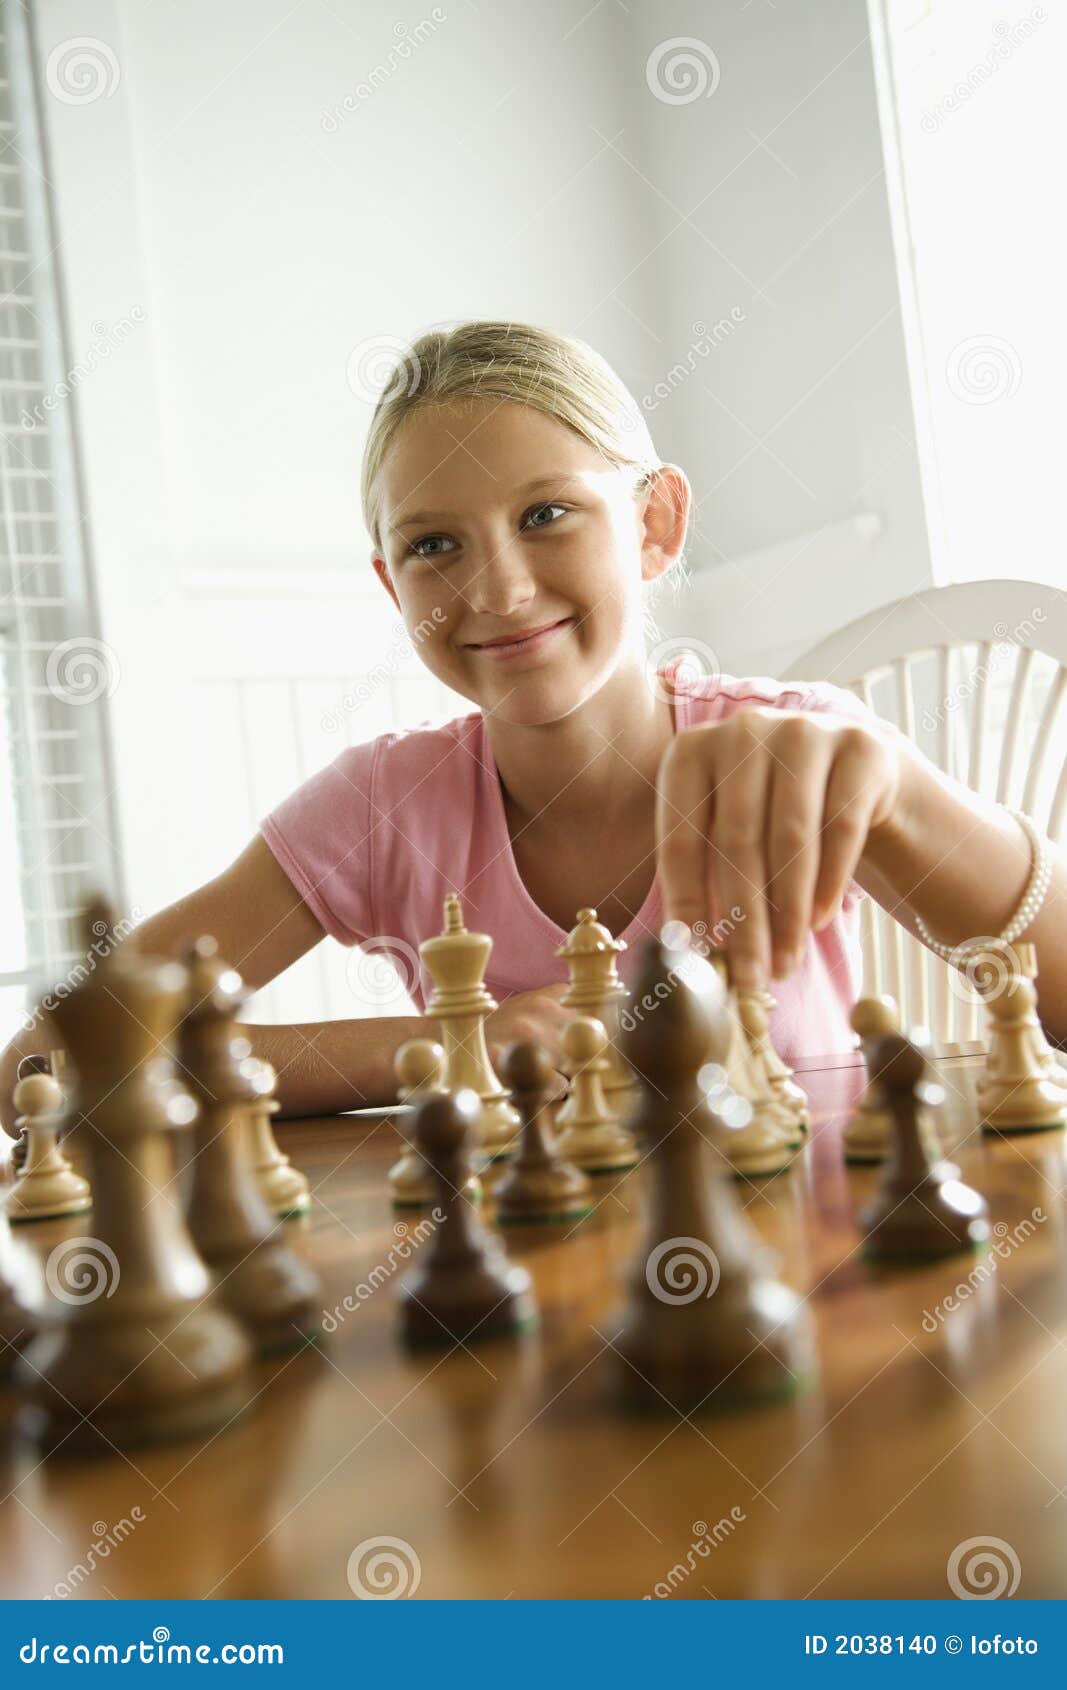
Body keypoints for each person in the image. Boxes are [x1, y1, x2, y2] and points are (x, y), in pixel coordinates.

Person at [3, 320, 1065, 1127]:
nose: (498, 591)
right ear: (391, 584)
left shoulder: (794, 751)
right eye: (433, 545)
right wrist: (443, 1045)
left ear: (653, 525)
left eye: (545, 515)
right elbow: (37, 1065)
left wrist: (896, 787)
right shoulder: (381, 808)